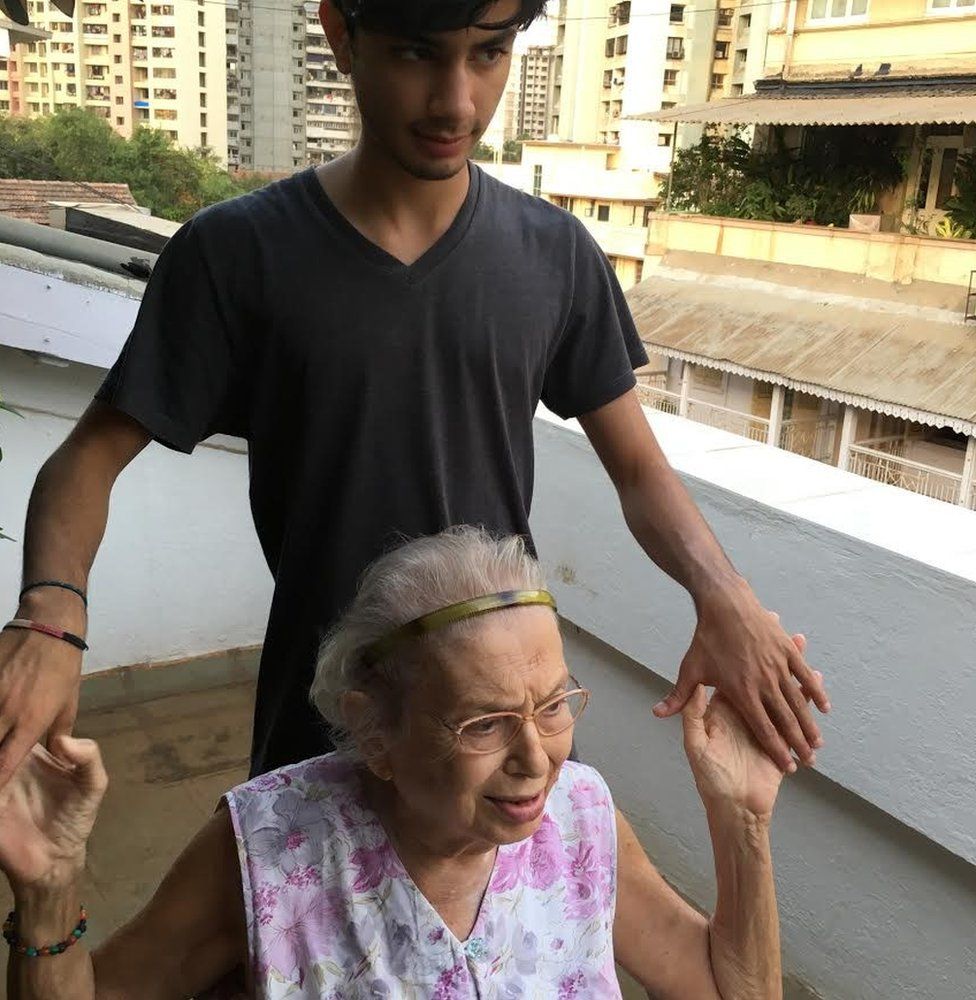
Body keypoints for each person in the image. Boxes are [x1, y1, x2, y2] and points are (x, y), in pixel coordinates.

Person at [0, 0, 829, 787]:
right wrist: (50, 619)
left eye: (490, 53)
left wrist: (726, 599)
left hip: (512, 730)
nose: (456, 101)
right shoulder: (236, 255)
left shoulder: (556, 256)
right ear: (340, 33)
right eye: (414, 52)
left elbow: (641, 472)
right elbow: (87, 461)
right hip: (325, 724)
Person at [2, 528, 803, 999]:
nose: (538, 759)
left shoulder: (581, 818)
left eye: (554, 705)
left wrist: (742, 818)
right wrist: (48, 891)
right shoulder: (270, 846)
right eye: (487, 723)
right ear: (377, 732)